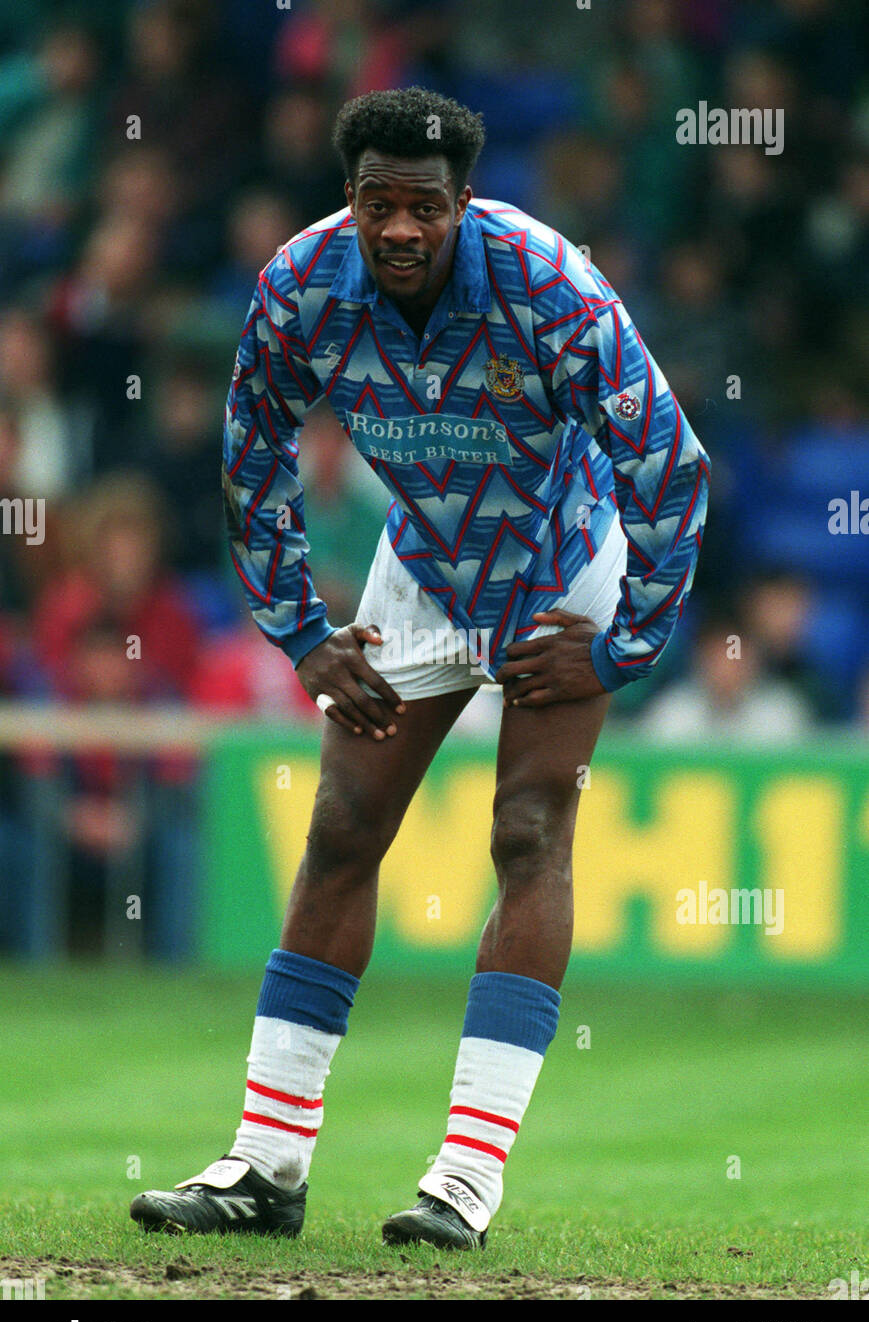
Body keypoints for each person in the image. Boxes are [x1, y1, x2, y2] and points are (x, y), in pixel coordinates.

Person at [131, 87, 710, 1249]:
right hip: (424, 567)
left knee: (527, 832)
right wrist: (303, 633)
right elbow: (251, 460)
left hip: (559, 566)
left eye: (425, 208)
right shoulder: (298, 286)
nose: (400, 228)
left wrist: (623, 643)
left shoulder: (548, 282)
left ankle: (462, 1180)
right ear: (348, 199)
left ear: (463, 203)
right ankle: (266, 1166)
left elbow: (667, 464)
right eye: (377, 203)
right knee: (342, 827)